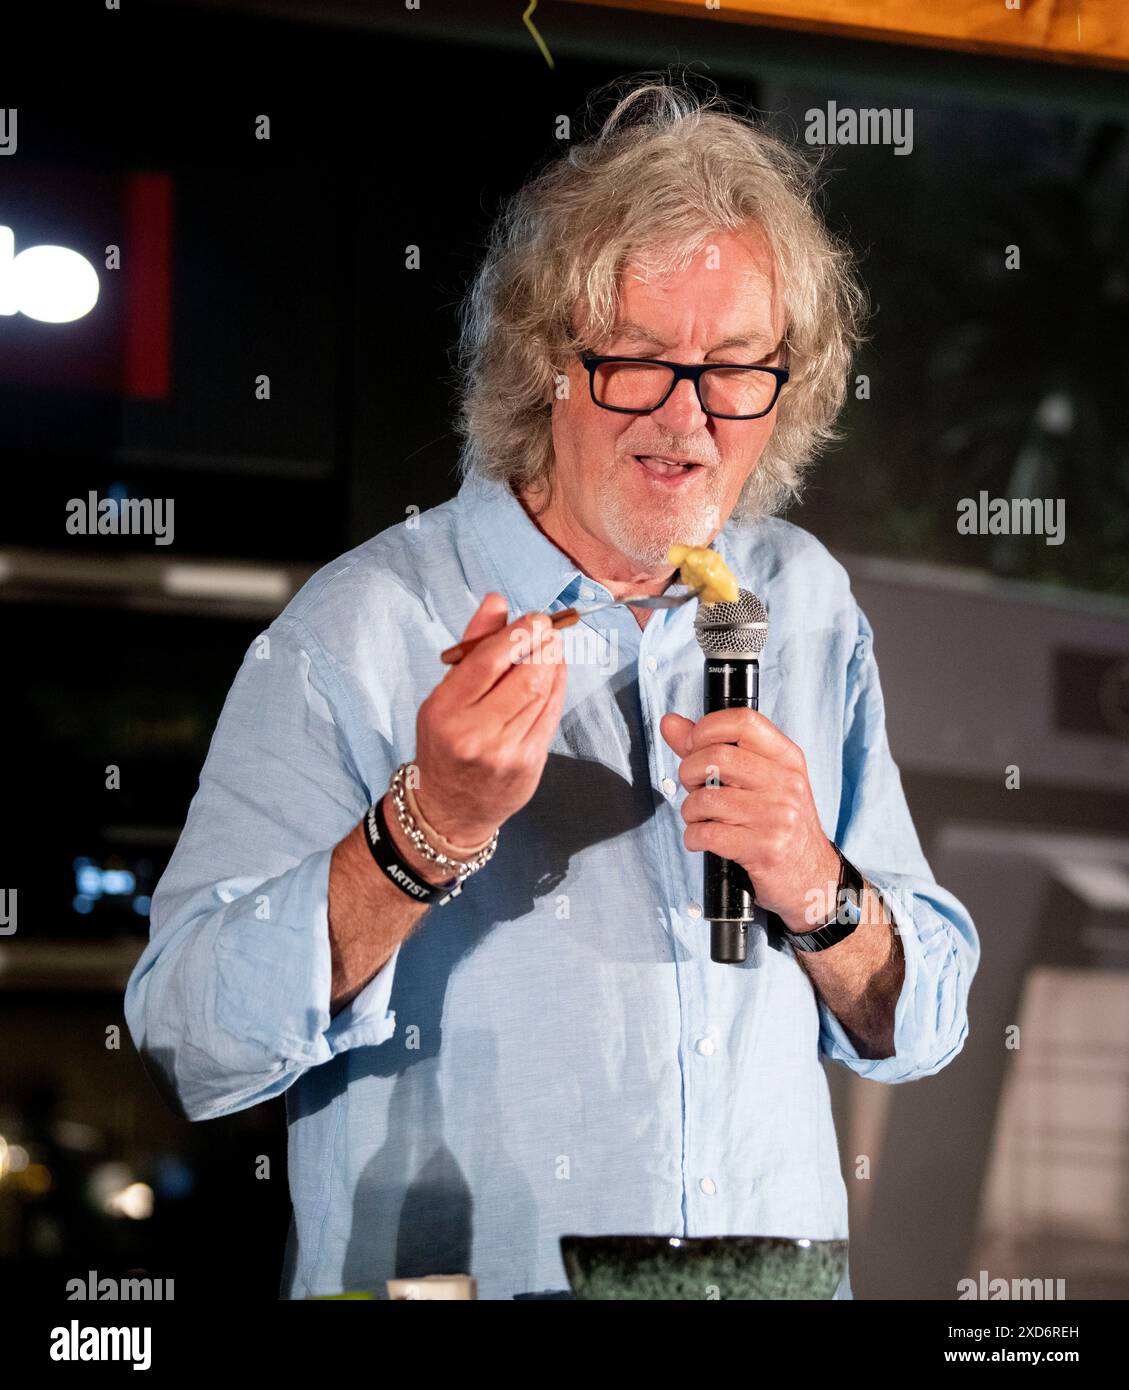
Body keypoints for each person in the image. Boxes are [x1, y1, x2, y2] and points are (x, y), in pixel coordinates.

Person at [124, 74, 979, 1300]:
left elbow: (926, 1022)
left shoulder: (802, 600)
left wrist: (818, 886)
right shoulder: (362, 625)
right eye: (638, 361)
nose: (688, 418)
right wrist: (428, 831)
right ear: (546, 368)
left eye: (736, 367)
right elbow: (185, 1038)